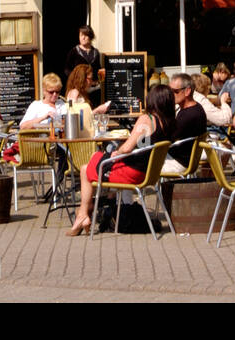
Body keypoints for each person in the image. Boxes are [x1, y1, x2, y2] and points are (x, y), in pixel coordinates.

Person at [65, 84, 176, 236]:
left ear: (152, 100)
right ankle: (86, 213)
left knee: (86, 168)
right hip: (148, 173)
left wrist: (117, 152)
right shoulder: (169, 123)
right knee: (94, 159)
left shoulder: (146, 119)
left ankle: (84, 214)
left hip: (132, 173)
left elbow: (128, 148)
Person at [162, 73, 209, 174]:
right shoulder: (197, 108)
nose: (170, 95)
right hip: (186, 160)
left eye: (175, 91)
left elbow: (165, 140)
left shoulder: (188, 115)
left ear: (187, 91)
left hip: (178, 163)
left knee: (134, 162)